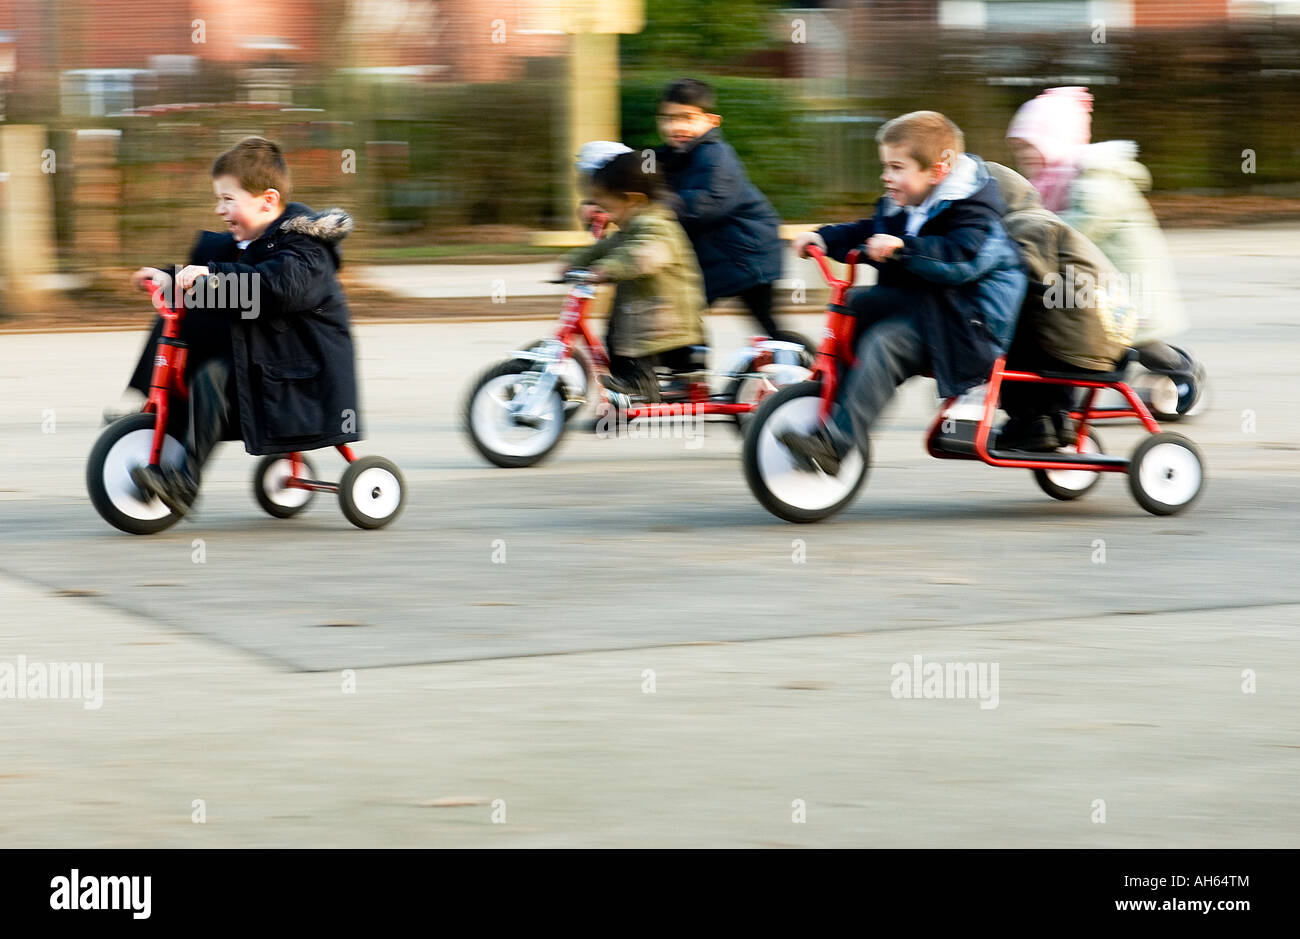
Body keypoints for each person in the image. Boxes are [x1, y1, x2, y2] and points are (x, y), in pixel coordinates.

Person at [126, 136, 362, 514]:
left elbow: (273, 289)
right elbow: (210, 274)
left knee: (210, 378)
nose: (219, 209)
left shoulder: (305, 250)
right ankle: (152, 407)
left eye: (228, 199)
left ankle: (183, 484)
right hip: (264, 360)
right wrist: (169, 277)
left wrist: (212, 276)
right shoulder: (247, 243)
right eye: (218, 199)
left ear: (268, 200)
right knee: (180, 312)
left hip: (301, 375)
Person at [782, 111, 1026, 473]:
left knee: (885, 343)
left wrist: (904, 249)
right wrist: (824, 237)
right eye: (885, 166)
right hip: (930, 306)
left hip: (967, 323)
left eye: (897, 167)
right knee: (854, 305)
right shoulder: (906, 203)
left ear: (937, 171)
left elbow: (962, 259)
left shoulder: (977, 212)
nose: (886, 176)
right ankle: (832, 401)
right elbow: (869, 230)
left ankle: (834, 445)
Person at [1006, 86, 1205, 417]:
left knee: (1138, 342)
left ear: (1056, 141)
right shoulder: (1049, 184)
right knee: (1096, 339)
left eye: (1032, 146)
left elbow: (1084, 222)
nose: (1025, 155)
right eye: (1019, 148)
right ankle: (1080, 399)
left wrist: (1038, 236)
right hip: (1095, 284)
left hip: (1127, 282)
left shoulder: (1097, 177)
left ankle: (1182, 373)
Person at [984, 161, 1138, 450]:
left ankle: (1029, 421)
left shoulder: (1023, 225)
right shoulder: (1048, 221)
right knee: (1053, 322)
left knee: (1011, 332)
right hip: (1106, 338)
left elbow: (1028, 282)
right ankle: (1057, 420)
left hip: (1081, 339)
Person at [653, 78, 795, 344]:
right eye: (668, 118)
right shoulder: (670, 156)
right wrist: (604, 201)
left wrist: (655, 207)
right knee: (767, 325)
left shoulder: (716, 156)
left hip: (745, 254)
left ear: (711, 121)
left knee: (679, 309)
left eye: (687, 118)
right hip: (721, 253)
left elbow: (706, 205)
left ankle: (810, 373)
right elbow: (634, 175)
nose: (676, 126)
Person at [559, 151, 708, 403]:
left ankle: (641, 387)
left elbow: (642, 256)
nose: (604, 213)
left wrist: (606, 269)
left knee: (630, 349)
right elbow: (608, 246)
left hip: (665, 316)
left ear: (632, 200)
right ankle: (622, 398)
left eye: (607, 206)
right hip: (643, 311)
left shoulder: (658, 226)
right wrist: (576, 260)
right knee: (617, 342)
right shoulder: (633, 224)